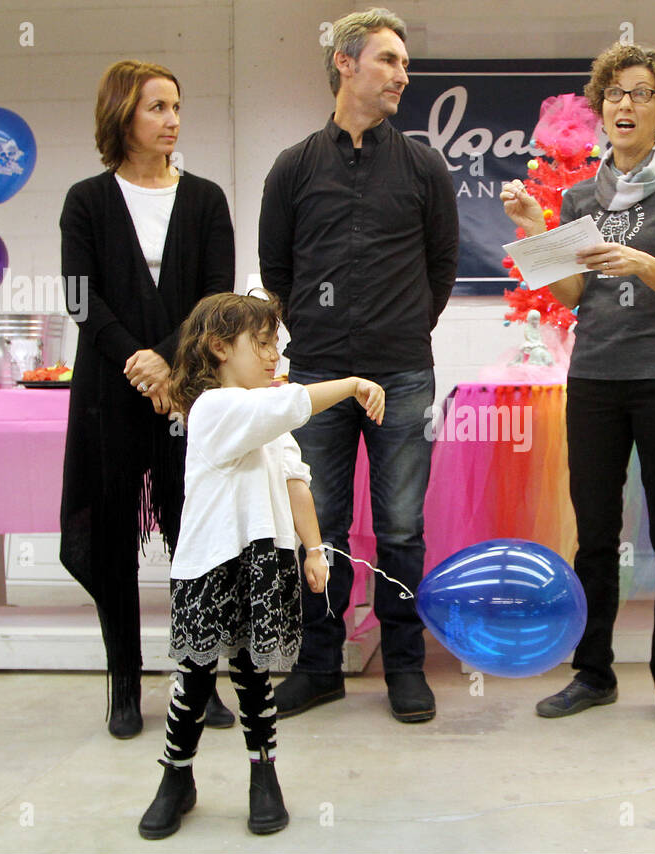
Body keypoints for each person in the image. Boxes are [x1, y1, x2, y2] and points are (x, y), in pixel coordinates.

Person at [501, 43, 655, 735]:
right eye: (615, 94)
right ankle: (592, 673)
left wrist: (641, 262)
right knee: (594, 536)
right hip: (595, 376)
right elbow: (569, 292)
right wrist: (537, 231)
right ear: (601, 110)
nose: (625, 104)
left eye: (641, 93)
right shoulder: (576, 196)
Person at [258, 7, 458, 723]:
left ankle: (405, 667)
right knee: (323, 527)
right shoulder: (292, 168)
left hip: (403, 373)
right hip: (315, 378)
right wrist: (320, 335)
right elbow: (275, 269)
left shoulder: (425, 166)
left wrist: (398, 330)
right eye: (389, 61)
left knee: (401, 527)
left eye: (404, 63)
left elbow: (442, 269)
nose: (403, 75)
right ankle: (321, 665)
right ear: (345, 63)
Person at [137, 293, 385, 839]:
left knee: (254, 676)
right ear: (220, 348)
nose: (275, 356)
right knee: (195, 677)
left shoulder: (266, 413)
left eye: (277, 345)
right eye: (263, 344)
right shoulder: (215, 408)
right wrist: (351, 384)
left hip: (263, 559)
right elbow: (285, 406)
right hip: (209, 564)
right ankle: (176, 777)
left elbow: (296, 479)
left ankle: (263, 774)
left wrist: (315, 548)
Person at [60, 60, 237, 739]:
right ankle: (125, 687)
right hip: (109, 394)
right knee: (109, 543)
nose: (172, 119)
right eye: (157, 107)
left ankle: (202, 681)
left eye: (176, 106)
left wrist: (167, 360)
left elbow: (216, 298)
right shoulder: (86, 200)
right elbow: (82, 297)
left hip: (189, 395)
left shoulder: (207, 199)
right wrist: (138, 362)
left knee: (194, 537)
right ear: (122, 116)